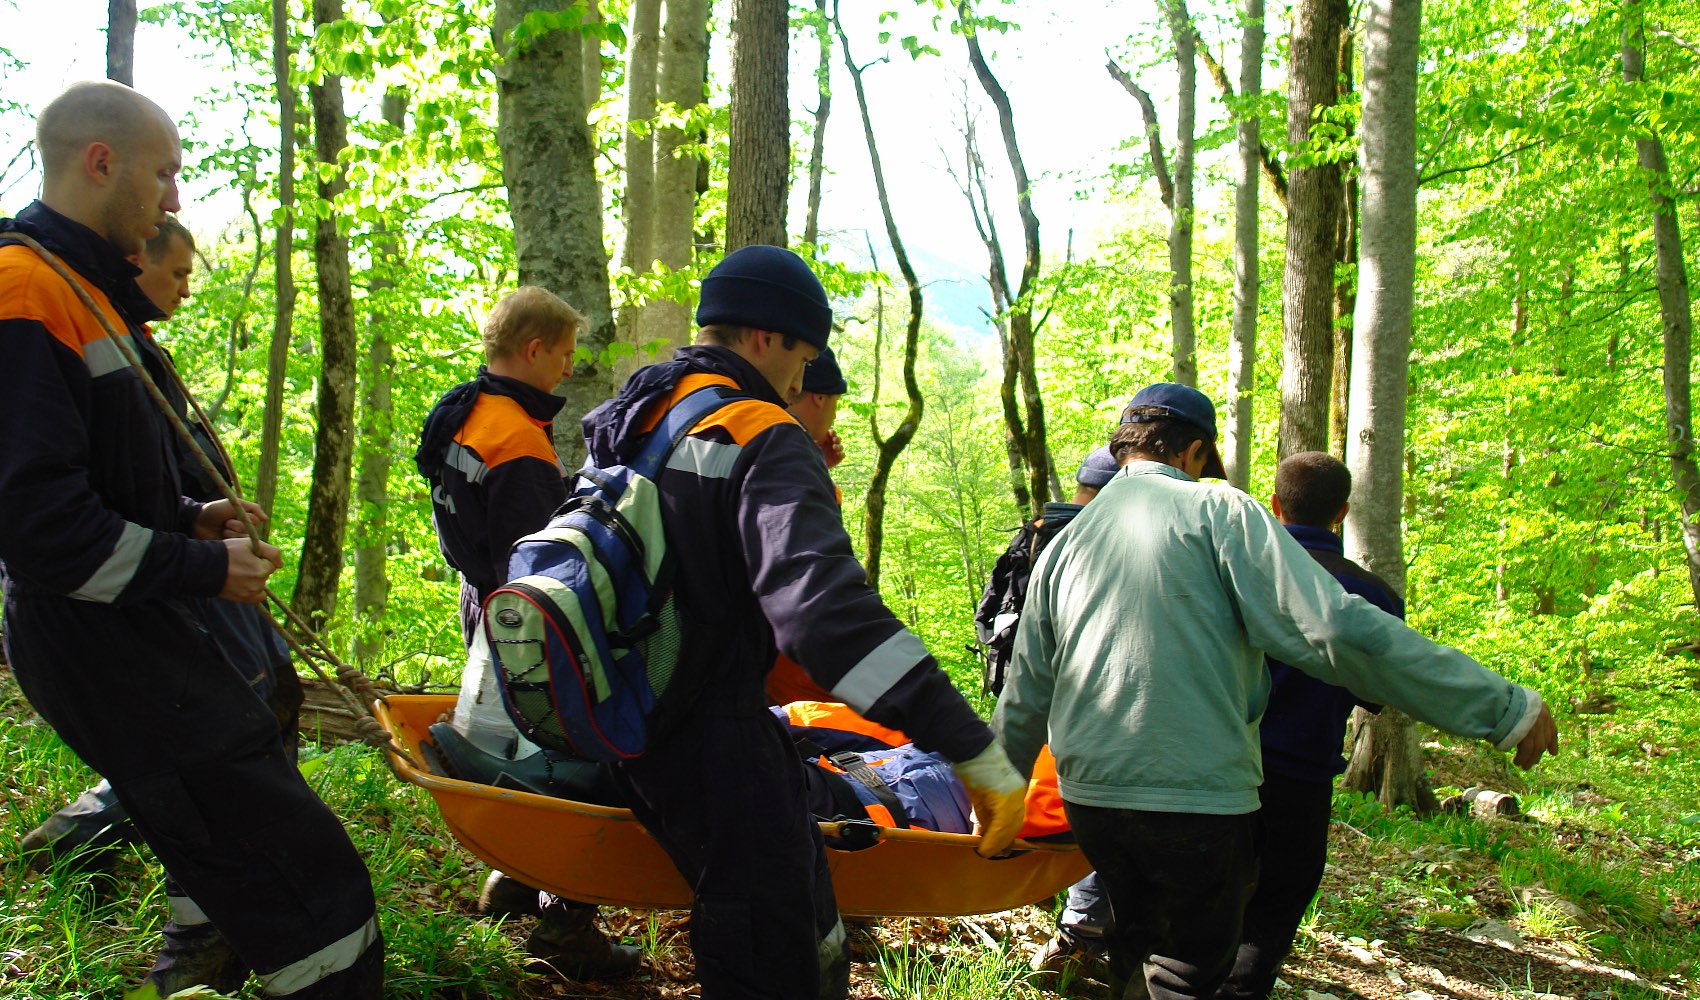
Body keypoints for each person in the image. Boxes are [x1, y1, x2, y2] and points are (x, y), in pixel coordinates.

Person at [0, 81, 381, 1000]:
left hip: (137, 631)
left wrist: (189, 515)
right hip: (101, 644)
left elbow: (102, 481)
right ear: (101, 163)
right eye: (164, 173)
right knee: (316, 898)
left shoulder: (83, 291)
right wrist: (204, 564)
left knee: (270, 857)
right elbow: (39, 526)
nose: (174, 198)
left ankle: (216, 960)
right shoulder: (24, 290)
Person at [995, 382, 1560, 1000]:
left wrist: (1000, 795)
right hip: (1194, 802)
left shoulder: (1066, 544)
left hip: (1091, 800)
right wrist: (1502, 707)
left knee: (1137, 942)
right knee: (1188, 969)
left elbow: (1026, 691)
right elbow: (1338, 630)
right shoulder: (1220, 513)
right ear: (1195, 452)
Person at [580, 243, 1029, 1000]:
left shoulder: (641, 413)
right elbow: (824, 615)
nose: (803, 379)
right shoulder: (760, 433)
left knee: (758, 920)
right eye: (806, 355)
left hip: (633, 721)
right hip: (718, 740)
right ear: (767, 339)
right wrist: (972, 750)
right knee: (776, 952)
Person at [20, 218, 302, 890]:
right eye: (176, 274)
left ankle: (96, 843)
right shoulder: (75, 331)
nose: (184, 291)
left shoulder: (134, 344)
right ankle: (85, 839)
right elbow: (84, 503)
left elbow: (156, 479)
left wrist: (202, 513)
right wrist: (193, 548)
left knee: (268, 695)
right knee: (221, 725)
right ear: (134, 260)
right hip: (176, 577)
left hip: (196, 559)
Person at [414, 286, 640, 978]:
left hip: (477, 602)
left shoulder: (467, 411)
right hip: (516, 621)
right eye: (564, 355)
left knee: (512, 746)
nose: (568, 370)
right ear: (534, 349)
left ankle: (512, 879)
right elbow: (535, 560)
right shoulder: (514, 439)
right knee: (564, 755)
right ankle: (565, 924)